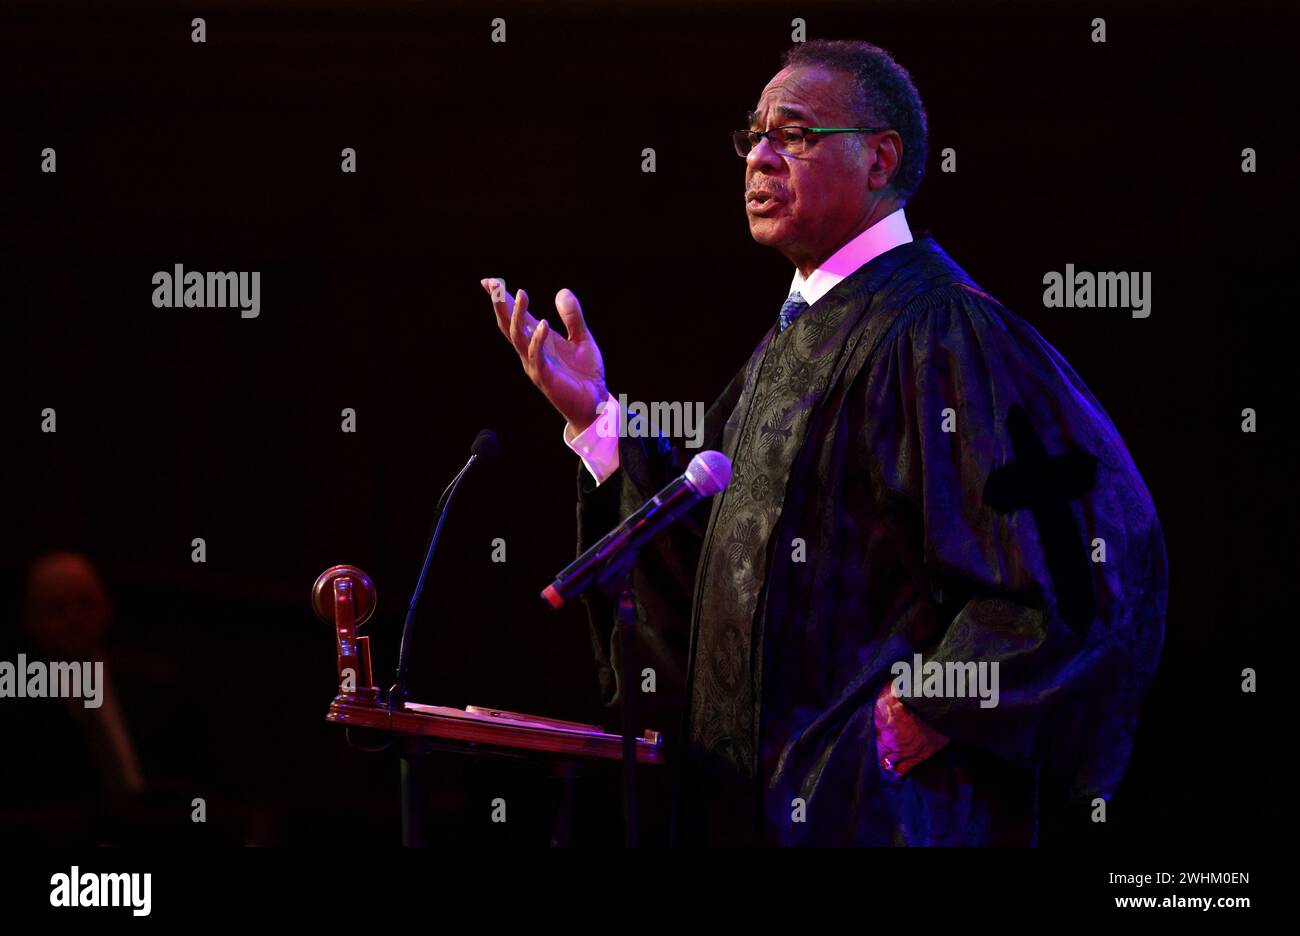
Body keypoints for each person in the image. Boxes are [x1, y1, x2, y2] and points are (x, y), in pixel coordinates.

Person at [482, 38, 1166, 845]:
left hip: (884, 813)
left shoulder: (944, 331)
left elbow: (1087, 561)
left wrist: (932, 703)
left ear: (881, 159)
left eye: (794, 134)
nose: (759, 158)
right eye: (753, 135)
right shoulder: (791, 344)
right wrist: (598, 419)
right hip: (754, 814)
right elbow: (713, 582)